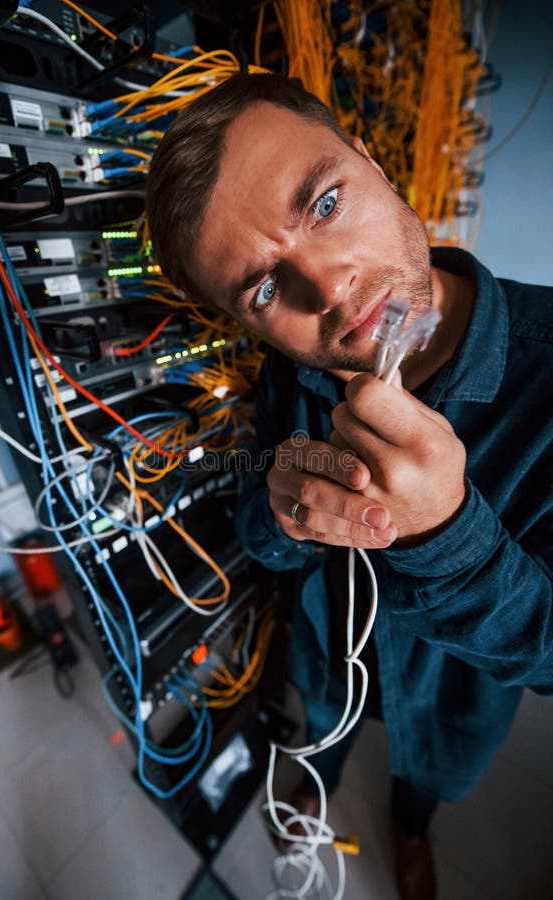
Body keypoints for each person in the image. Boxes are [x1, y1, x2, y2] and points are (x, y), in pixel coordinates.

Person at [146, 73, 553, 900]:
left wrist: (449, 539)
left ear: (369, 161)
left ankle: (411, 827)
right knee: (322, 728)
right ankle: (317, 782)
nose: (328, 290)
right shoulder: (288, 373)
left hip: (452, 696)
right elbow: (265, 514)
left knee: (426, 775)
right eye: (265, 288)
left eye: (325, 204)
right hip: (332, 658)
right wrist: (284, 513)